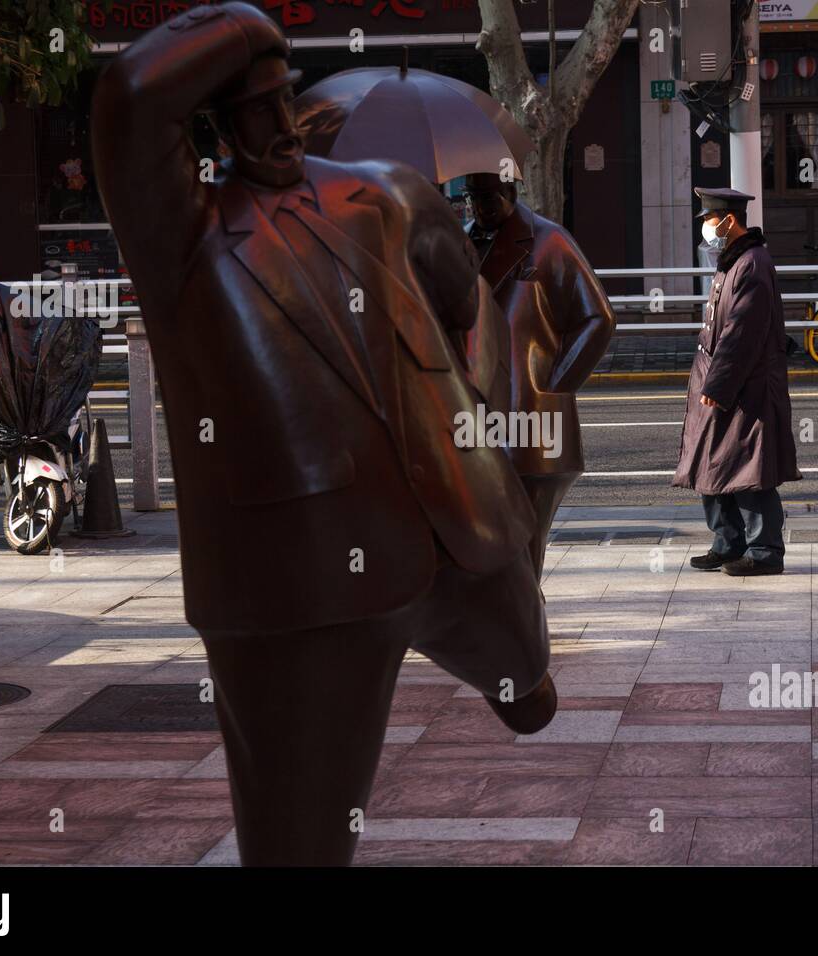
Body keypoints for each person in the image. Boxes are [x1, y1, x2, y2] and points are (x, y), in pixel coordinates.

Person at [90, 2, 556, 866]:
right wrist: (246, 23)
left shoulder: (383, 191)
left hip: (457, 535)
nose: (271, 128)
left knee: (531, 689)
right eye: (245, 113)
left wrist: (477, 431)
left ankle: (517, 674)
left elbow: (473, 307)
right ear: (212, 130)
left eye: (278, 100)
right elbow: (128, 95)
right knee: (298, 846)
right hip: (296, 590)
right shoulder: (182, 240)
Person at [464, 173, 616, 575]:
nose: (478, 209)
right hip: (473, 406)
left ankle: (524, 611)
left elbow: (598, 318)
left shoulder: (549, 242)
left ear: (510, 193)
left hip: (531, 409)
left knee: (528, 523)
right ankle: (504, 609)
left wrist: (554, 387)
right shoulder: (461, 243)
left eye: (487, 198)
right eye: (470, 198)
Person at [673, 187, 801, 575]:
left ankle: (764, 552)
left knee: (749, 469)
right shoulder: (733, 259)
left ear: (728, 220)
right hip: (720, 380)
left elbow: (742, 331)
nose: (707, 228)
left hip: (744, 386)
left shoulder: (752, 262)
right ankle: (727, 542)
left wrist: (718, 384)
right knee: (712, 463)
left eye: (710, 220)